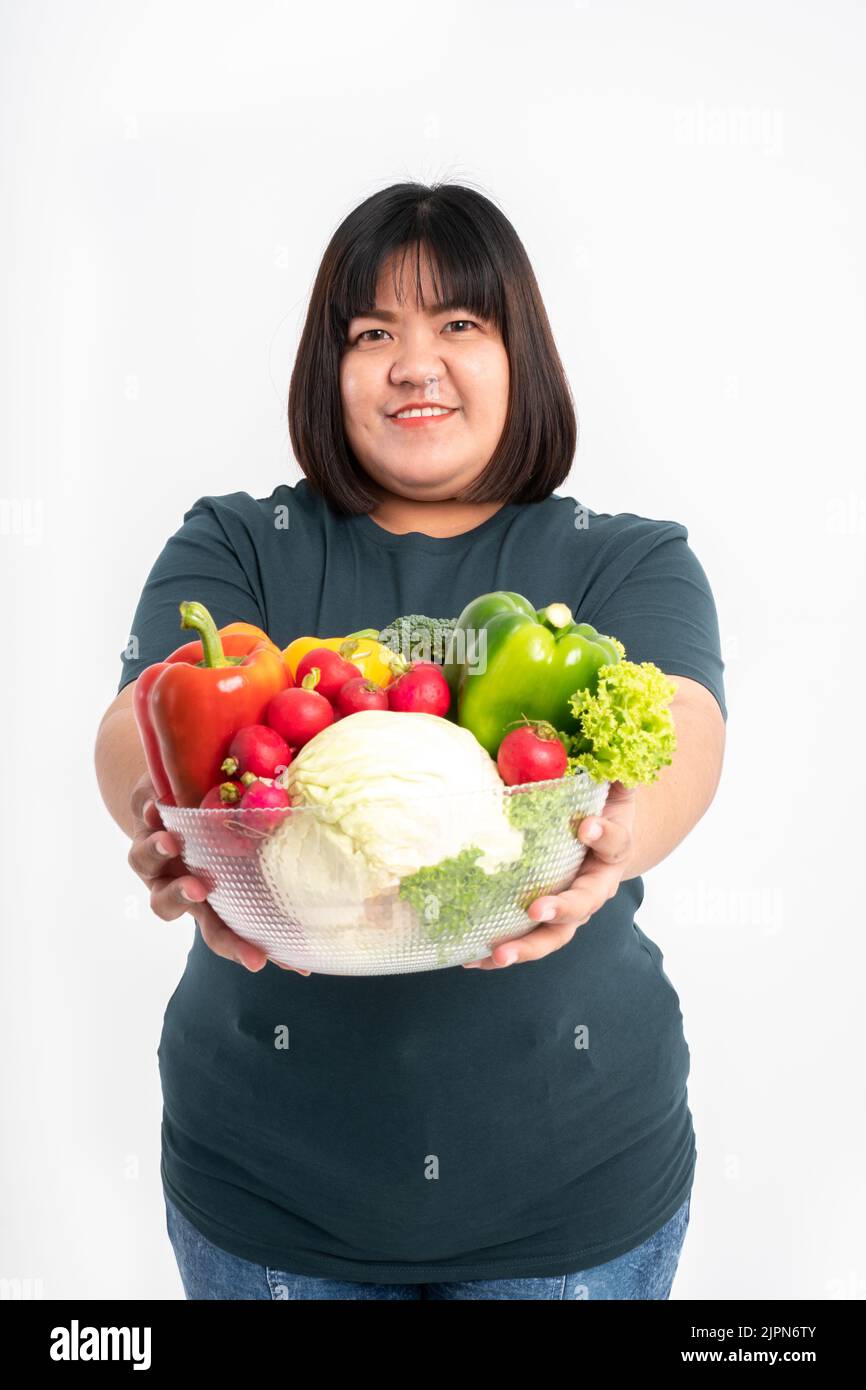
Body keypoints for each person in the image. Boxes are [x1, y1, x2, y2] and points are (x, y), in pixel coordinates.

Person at [94, 181, 726, 1300]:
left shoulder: (619, 559)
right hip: (269, 1196)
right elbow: (136, 719)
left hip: (570, 1197)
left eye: (459, 326)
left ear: (518, 355)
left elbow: (680, 722)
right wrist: (160, 818)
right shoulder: (238, 542)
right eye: (371, 332)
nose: (413, 364)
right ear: (325, 370)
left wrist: (616, 834)